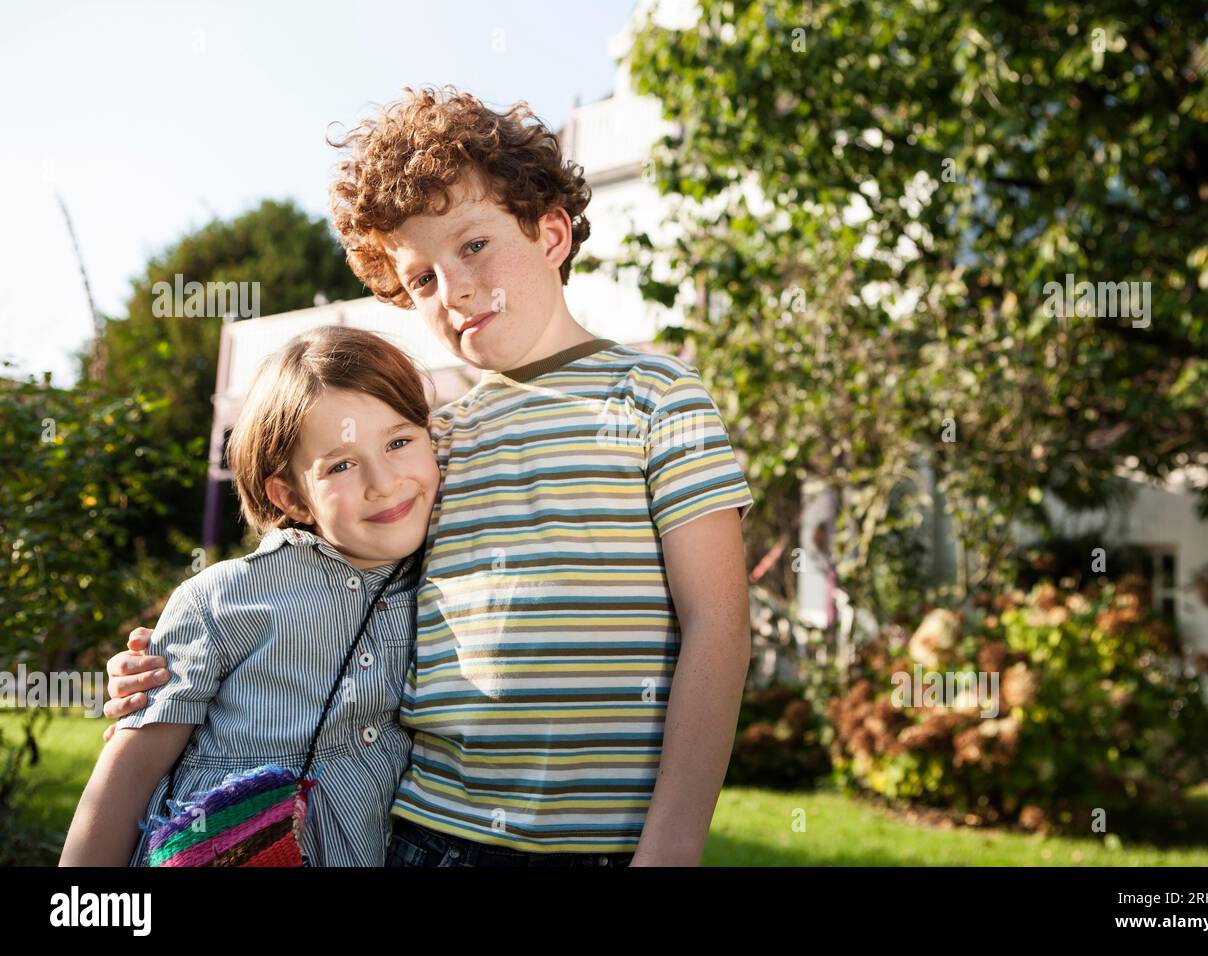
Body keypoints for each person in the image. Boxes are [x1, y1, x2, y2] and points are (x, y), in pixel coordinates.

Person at [103, 85, 754, 867]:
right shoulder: (429, 444)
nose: (455, 291)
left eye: (473, 245)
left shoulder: (658, 399)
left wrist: (672, 847)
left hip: (607, 844)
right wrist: (165, 667)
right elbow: (322, 591)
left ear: (550, 233)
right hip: (430, 836)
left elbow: (719, 623)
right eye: (420, 279)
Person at [62, 326, 439, 866]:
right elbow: (131, 770)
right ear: (293, 498)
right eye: (340, 465)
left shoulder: (447, 573)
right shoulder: (224, 598)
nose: (383, 481)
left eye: (399, 442)